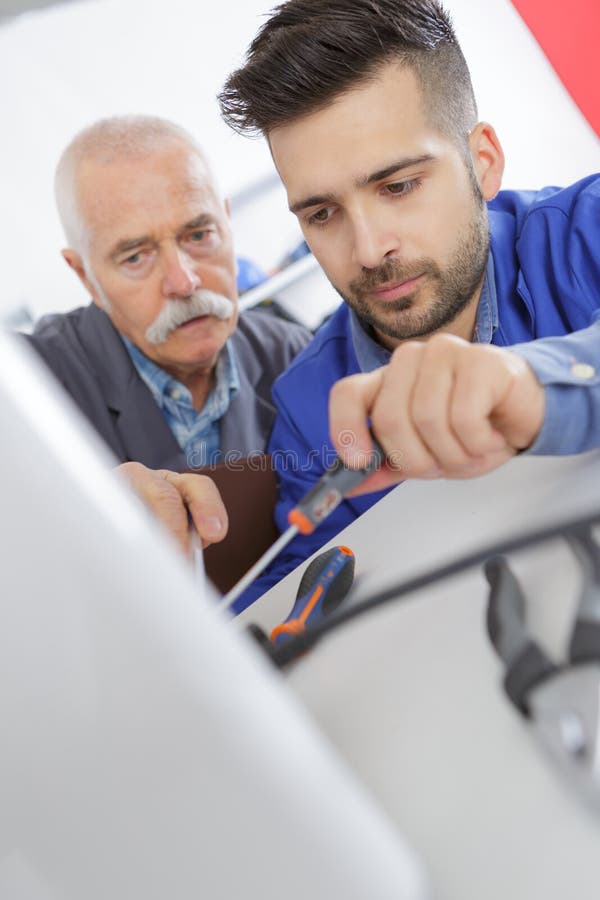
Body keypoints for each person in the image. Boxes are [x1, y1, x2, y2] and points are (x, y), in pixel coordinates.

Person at [218, 0, 600, 610]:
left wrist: (532, 387)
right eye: (322, 214)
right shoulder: (309, 404)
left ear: (482, 162)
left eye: (397, 186)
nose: (369, 251)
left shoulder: (587, 229)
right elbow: (296, 584)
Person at [24, 115, 311, 559]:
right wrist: (65, 515)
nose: (183, 281)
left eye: (199, 235)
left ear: (227, 223)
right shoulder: (27, 390)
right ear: (85, 276)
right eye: (135, 257)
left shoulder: (297, 358)